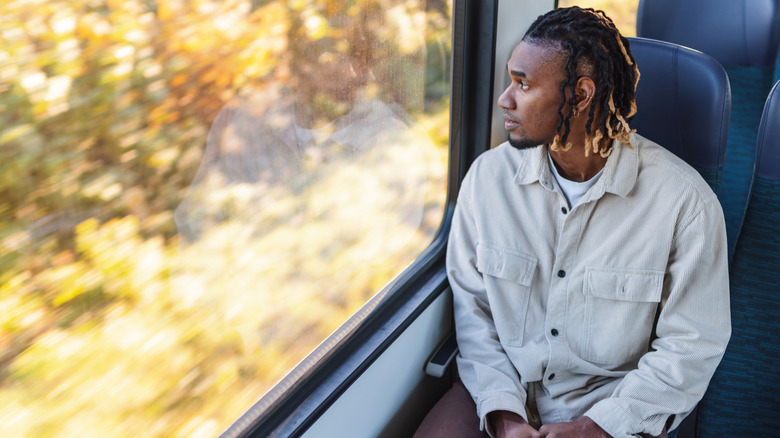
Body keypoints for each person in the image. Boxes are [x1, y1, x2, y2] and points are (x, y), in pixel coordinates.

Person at [414, 7, 730, 438]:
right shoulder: (487, 181)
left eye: (523, 84)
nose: (505, 99)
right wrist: (504, 414)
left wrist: (597, 426)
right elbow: (475, 316)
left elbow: (690, 347)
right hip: (501, 392)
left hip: (613, 411)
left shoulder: (685, 204)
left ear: (581, 95)